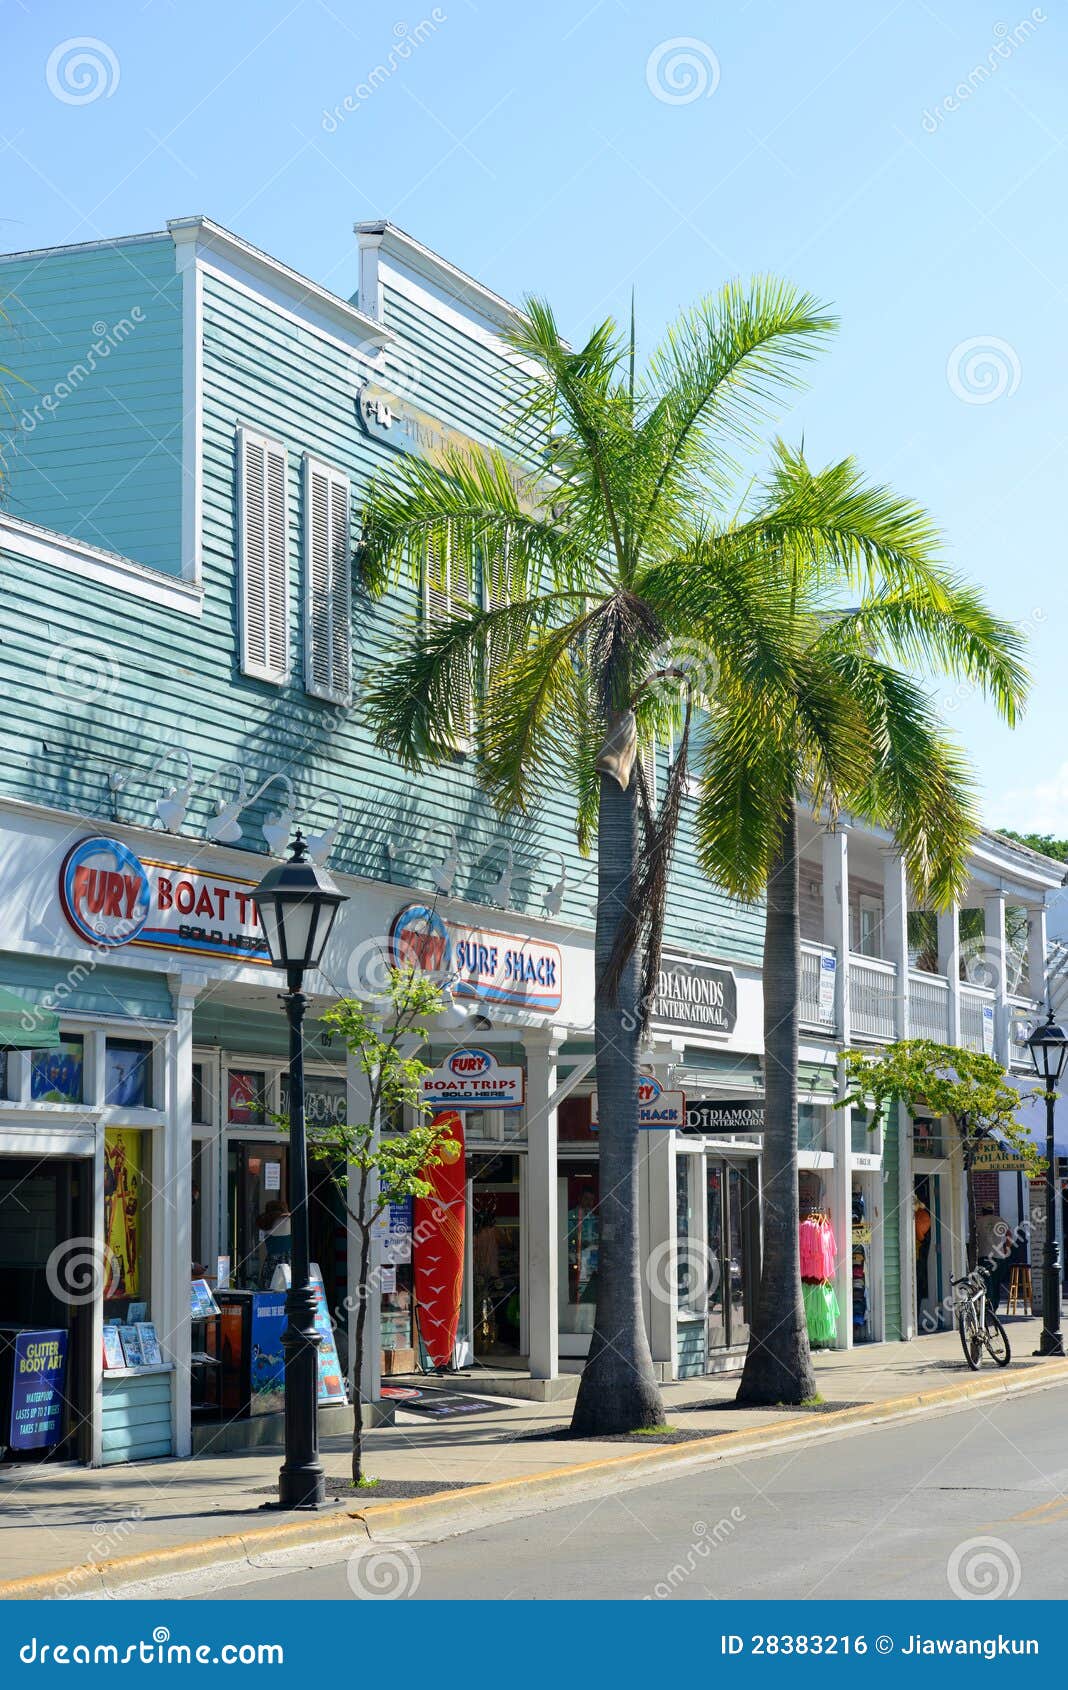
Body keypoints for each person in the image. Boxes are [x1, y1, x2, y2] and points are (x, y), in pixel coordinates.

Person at [976, 1203, 1012, 1314]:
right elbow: (1009, 1235)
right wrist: (1006, 1249)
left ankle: (987, 1308)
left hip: (984, 1256)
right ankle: (994, 1308)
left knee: (986, 1284)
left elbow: (974, 1238)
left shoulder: (978, 1222)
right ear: (993, 1210)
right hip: (999, 1257)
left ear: (983, 1210)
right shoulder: (1000, 1220)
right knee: (996, 1284)